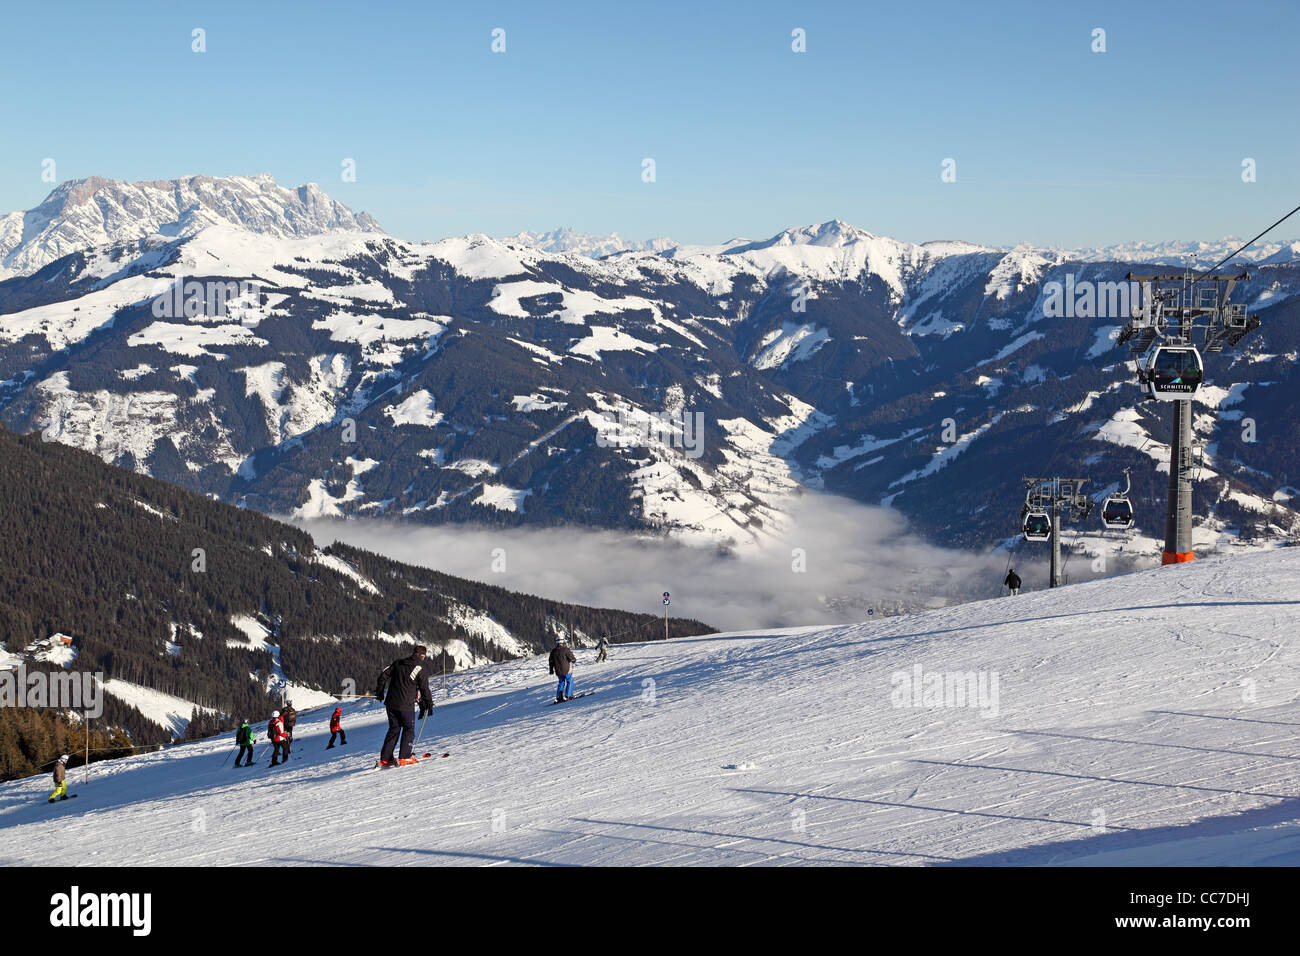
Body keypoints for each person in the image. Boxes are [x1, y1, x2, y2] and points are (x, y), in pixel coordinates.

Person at [374, 645, 434, 767]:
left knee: (394, 729)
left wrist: (379, 692)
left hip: (391, 703)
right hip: (405, 705)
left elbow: (383, 675)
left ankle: (386, 759)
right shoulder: (420, 668)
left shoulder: (398, 663)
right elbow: (424, 688)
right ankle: (405, 757)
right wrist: (428, 703)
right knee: (408, 728)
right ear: (422, 657)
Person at [549, 636, 577, 702]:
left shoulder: (553, 652)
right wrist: (573, 659)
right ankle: (568, 695)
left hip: (558, 671)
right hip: (566, 669)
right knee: (569, 681)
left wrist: (551, 670)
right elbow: (572, 659)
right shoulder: (566, 650)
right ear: (562, 642)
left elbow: (551, 661)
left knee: (561, 682)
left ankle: (559, 697)